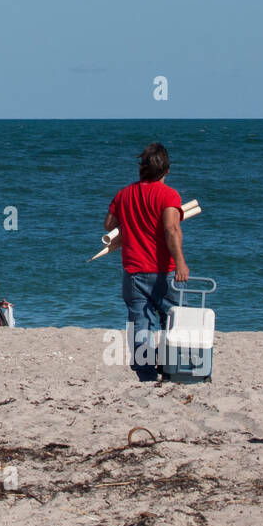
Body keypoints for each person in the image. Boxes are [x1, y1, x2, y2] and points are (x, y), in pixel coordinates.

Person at [105, 142, 189, 383]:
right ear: (167, 170)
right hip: (164, 270)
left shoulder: (124, 194)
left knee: (140, 323)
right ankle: (171, 368)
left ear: (141, 169)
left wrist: (131, 219)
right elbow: (171, 229)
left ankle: (146, 375)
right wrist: (181, 263)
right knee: (172, 321)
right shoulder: (168, 195)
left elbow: (109, 225)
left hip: (133, 271)